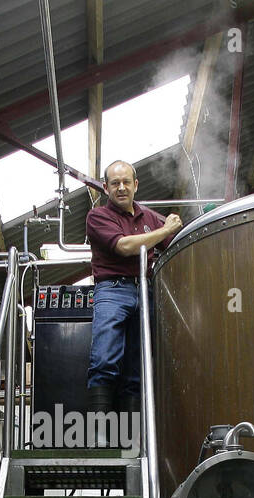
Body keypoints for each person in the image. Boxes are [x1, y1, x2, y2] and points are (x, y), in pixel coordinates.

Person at [84, 160, 183, 419]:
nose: (121, 187)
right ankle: (98, 435)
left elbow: (176, 244)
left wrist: (177, 228)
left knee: (137, 367)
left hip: (145, 291)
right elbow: (125, 246)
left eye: (126, 182)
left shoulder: (149, 217)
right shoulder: (98, 216)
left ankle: (131, 438)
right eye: (115, 183)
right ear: (106, 188)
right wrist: (165, 229)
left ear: (136, 185)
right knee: (105, 358)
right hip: (112, 290)